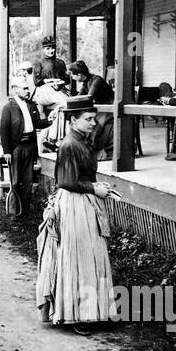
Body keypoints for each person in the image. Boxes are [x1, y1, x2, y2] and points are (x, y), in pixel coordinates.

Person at [36, 96, 122, 327]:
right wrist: (94, 188)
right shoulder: (69, 145)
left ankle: (92, 310)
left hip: (85, 202)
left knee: (91, 254)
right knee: (78, 257)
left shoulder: (82, 140)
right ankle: (75, 314)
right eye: (88, 119)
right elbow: (66, 181)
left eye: (94, 118)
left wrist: (98, 187)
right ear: (73, 120)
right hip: (74, 205)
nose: (93, 123)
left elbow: (83, 176)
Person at [0, 69, 46, 216]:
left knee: (28, 180)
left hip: (30, 147)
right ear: (15, 90)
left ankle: (24, 211)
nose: (27, 90)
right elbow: (4, 131)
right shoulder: (8, 108)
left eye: (28, 88)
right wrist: (7, 151)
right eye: (24, 88)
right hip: (16, 148)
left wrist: (52, 120)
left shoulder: (31, 105)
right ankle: (14, 212)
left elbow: (38, 123)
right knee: (15, 180)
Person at [69, 60, 115, 160]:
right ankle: (83, 148)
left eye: (73, 75)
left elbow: (89, 97)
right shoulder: (86, 82)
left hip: (110, 109)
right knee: (82, 122)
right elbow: (79, 97)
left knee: (94, 125)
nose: (72, 77)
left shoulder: (96, 80)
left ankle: (93, 150)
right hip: (100, 110)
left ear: (80, 75)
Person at [32, 36, 69, 153]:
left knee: (65, 106)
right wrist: (50, 82)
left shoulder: (60, 62)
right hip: (44, 91)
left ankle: (56, 138)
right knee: (65, 102)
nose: (50, 51)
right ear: (43, 50)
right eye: (48, 49)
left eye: (52, 48)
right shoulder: (39, 63)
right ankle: (54, 138)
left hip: (58, 90)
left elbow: (66, 79)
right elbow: (37, 82)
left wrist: (60, 83)